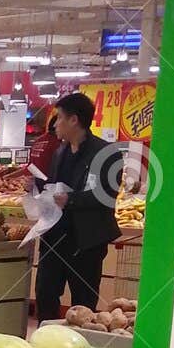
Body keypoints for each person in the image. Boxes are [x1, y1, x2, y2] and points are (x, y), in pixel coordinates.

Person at [35, 91, 121, 322]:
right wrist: (40, 188)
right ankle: (45, 342)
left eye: (60, 117)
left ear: (74, 120)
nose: (55, 124)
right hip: (54, 238)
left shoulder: (106, 154)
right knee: (45, 294)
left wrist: (71, 200)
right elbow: (55, 184)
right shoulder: (60, 152)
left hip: (85, 242)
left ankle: (80, 347)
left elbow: (107, 195)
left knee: (83, 303)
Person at [29, 109, 61, 180]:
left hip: (35, 183)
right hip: (47, 186)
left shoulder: (38, 141)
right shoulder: (57, 144)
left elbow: (30, 167)